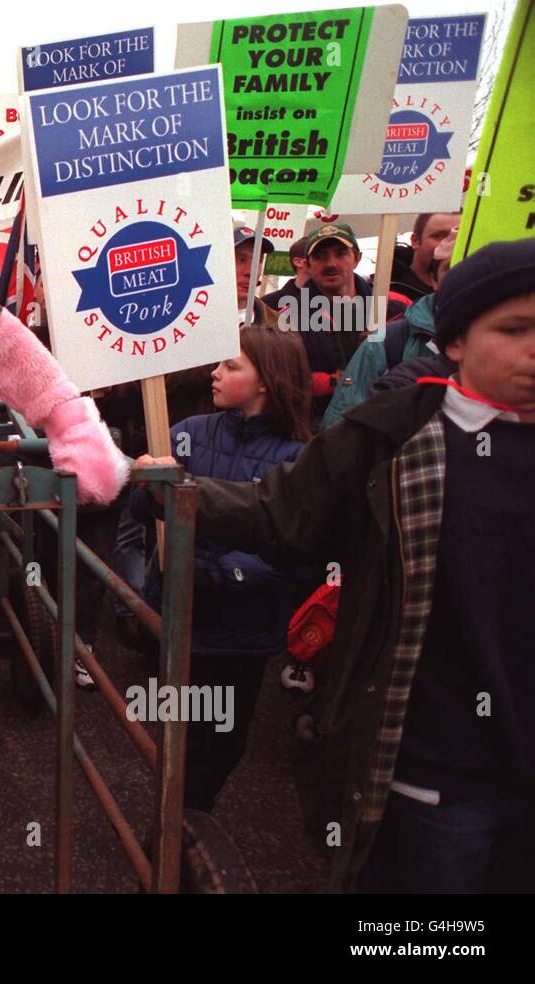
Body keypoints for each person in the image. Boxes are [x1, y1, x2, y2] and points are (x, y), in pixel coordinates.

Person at [137, 238, 535, 892]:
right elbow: (282, 513)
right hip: (439, 772)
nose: (533, 348)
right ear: (457, 341)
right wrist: (178, 488)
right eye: (514, 329)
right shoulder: (396, 433)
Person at [129, 324, 313, 812]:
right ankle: (172, 836)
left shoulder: (298, 459)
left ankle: (184, 831)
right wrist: (147, 484)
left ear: (266, 381)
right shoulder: (187, 434)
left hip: (241, 631)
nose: (214, 373)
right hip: (176, 617)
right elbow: (139, 516)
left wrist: (224, 574)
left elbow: (296, 552)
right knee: (177, 732)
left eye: (231, 365)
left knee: (221, 743)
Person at [322, 230, 456, 428]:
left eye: (341, 253)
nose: (463, 276)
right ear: (433, 279)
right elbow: (343, 434)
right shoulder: (386, 342)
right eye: (451, 268)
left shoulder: (511, 344)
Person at [278, 223, 408, 421]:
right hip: (320, 429)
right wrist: (338, 380)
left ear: (356, 258)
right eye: (320, 256)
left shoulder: (395, 306)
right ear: (307, 265)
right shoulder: (290, 317)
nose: (331, 263)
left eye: (340, 253)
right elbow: (285, 377)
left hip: (387, 422)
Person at [391, 211, 460, 302]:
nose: (450, 243)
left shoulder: (476, 290)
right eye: (439, 236)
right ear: (415, 241)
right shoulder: (381, 291)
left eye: (459, 235)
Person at [231, 222, 278, 327]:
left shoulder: (277, 326)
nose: (251, 272)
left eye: (258, 261)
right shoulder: (196, 317)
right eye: (241, 260)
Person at [262, 239, 309, 311]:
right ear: (298, 262)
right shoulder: (268, 304)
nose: (328, 263)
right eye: (318, 256)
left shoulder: (330, 301)